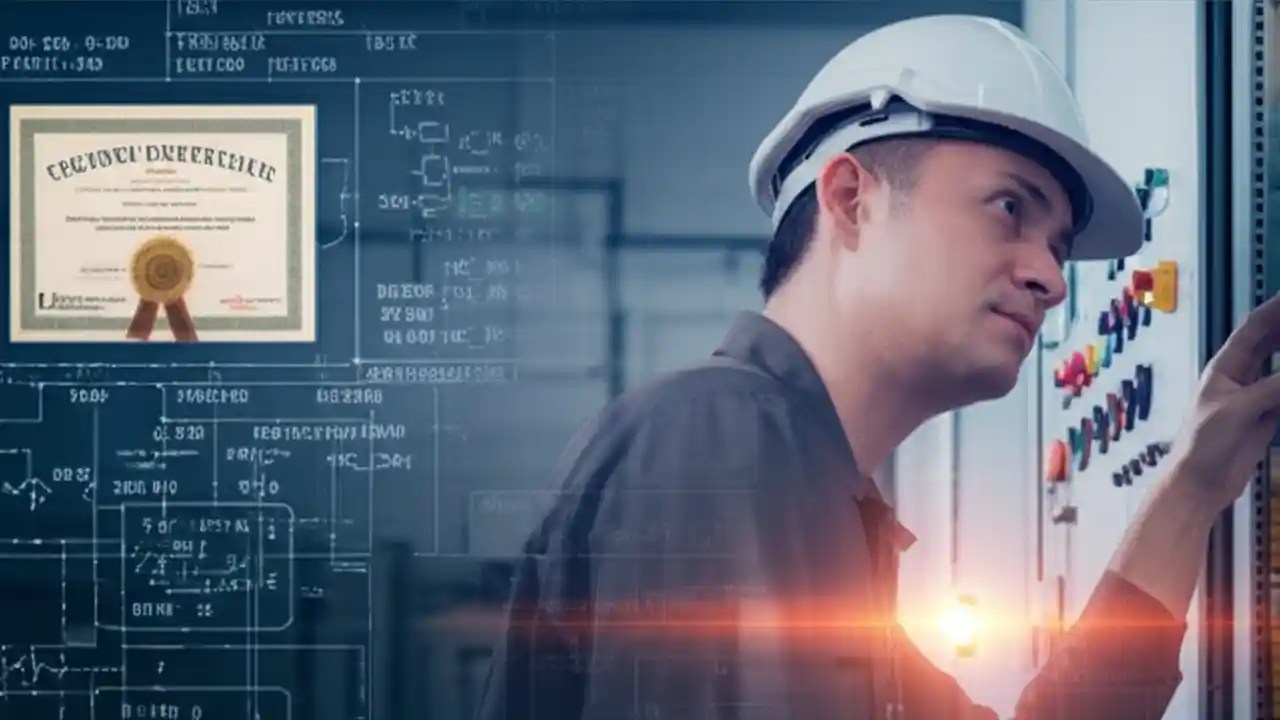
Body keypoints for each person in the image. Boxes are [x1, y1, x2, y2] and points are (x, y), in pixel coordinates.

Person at [475, 15, 1280, 719]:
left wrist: (1190, 491)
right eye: (1010, 208)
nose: (1049, 275)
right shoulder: (720, 437)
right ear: (851, 199)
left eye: (1059, 245)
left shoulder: (819, 504)